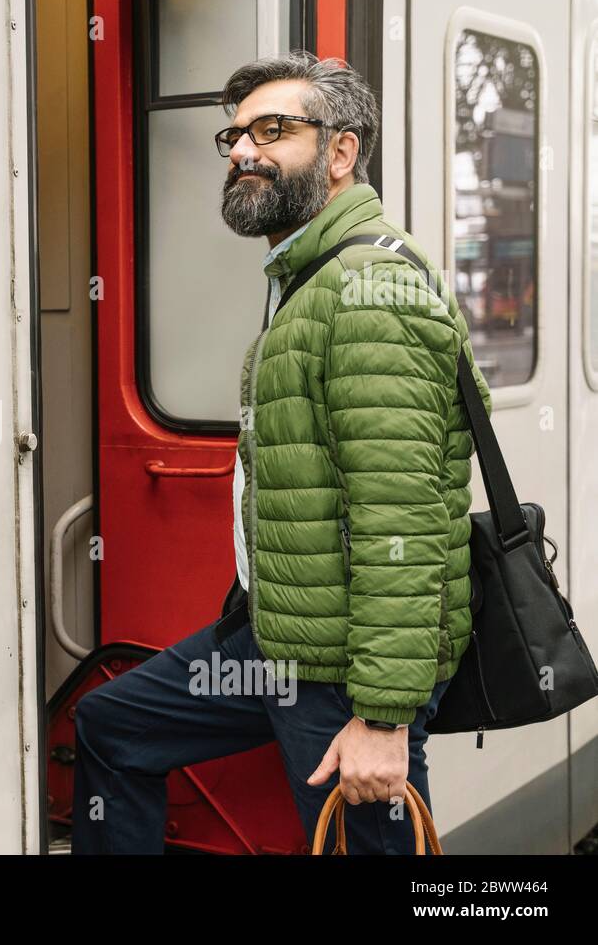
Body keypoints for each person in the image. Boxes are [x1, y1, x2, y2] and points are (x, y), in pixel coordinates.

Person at [71, 51, 493, 854]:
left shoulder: (369, 292)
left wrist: (382, 718)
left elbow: (396, 520)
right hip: (278, 642)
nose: (241, 150)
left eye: (273, 129)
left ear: (341, 152)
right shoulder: (309, 280)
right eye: (233, 135)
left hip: (342, 675)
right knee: (112, 723)